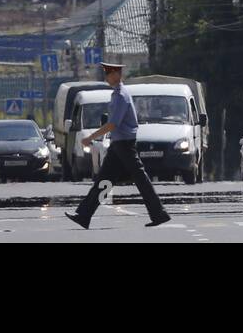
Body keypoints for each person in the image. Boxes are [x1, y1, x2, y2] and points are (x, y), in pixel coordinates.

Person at [66, 60, 171, 229]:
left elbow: (113, 124)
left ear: (117, 74)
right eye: (106, 73)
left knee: (141, 180)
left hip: (124, 144)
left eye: (109, 73)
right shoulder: (116, 94)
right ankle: (84, 215)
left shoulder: (121, 96)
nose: (106, 76)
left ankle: (159, 214)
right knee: (104, 180)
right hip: (118, 144)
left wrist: (90, 137)